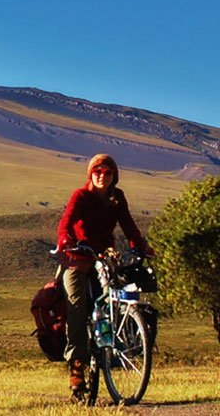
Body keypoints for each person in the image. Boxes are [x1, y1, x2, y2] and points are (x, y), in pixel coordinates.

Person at [55, 153, 153, 399]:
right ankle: (77, 365)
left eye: (107, 172)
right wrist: (66, 241)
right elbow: (66, 222)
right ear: (90, 174)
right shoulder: (81, 196)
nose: (102, 176)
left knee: (115, 300)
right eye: (97, 172)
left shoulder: (116, 198)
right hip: (77, 258)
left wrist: (140, 245)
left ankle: (112, 351)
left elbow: (129, 225)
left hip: (105, 257)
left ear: (114, 176)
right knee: (76, 306)